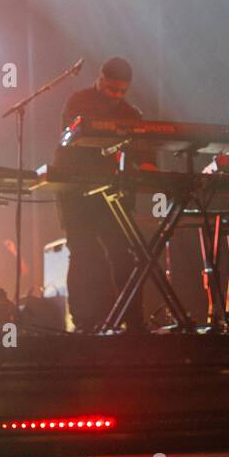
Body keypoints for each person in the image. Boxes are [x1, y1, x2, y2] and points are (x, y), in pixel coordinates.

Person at [54, 57, 151, 332]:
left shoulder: (130, 114)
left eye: (122, 91)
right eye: (112, 89)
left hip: (112, 193)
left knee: (124, 254)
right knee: (83, 252)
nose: (116, 96)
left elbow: (143, 153)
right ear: (100, 80)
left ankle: (134, 321)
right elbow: (72, 140)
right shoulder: (78, 102)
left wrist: (150, 169)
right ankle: (84, 322)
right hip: (76, 191)